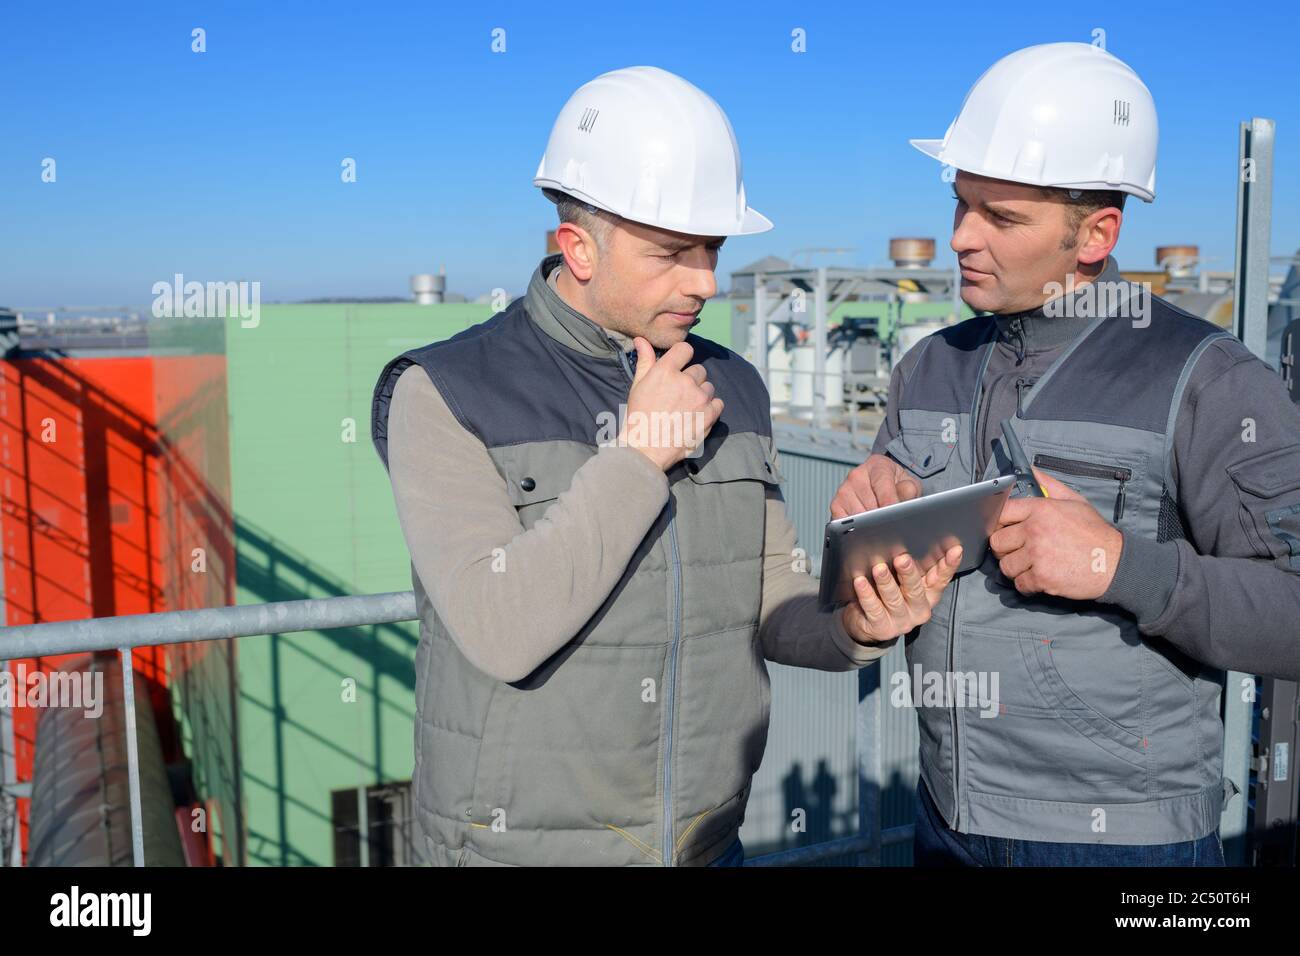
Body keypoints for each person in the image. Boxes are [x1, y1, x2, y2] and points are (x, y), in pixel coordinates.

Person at [370, 66, 961, 867]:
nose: (707, 282)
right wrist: (639, 455)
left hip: (706, 846)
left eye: (713, 249)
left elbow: (771, 598)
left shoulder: (735, 387)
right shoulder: (444, 391)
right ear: (579, 247)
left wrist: (856, 625)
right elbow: (500, 629)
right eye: (672, 254)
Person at [832, 42, 1300, 866]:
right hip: (944, 817)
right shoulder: (928, 365)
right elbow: (858, 592)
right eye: (961, 203)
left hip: (1123, 846)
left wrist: (1120, 564)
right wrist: (873, 519)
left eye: (1003, 218)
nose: (961, 239)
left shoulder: (1206, 378)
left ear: (1096, 234)